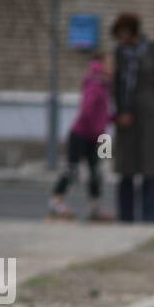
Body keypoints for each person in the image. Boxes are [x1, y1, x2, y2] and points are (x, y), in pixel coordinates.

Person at [110, 13, 154, 222]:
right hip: (125, 118)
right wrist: (120, 112)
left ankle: (149, 216)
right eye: (119, 35)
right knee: (126, 168)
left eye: (124, 33)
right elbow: (116, 85)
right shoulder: (119, 53)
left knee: (149, 167)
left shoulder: (152, 49)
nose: (122, 38)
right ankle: (125, 216)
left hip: (148, 116)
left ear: (133, 30)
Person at [48, 58, 111, 220]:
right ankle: (56, 203)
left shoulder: (106, 87)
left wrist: (114, 119)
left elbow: (102, 114)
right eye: (110, 66)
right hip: (81, 134)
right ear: (102, 69)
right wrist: (98, 128)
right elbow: (87, 111)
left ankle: (95, 208)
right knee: (71, 169)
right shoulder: (94, 85)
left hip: (100, 136)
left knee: (97, 172)